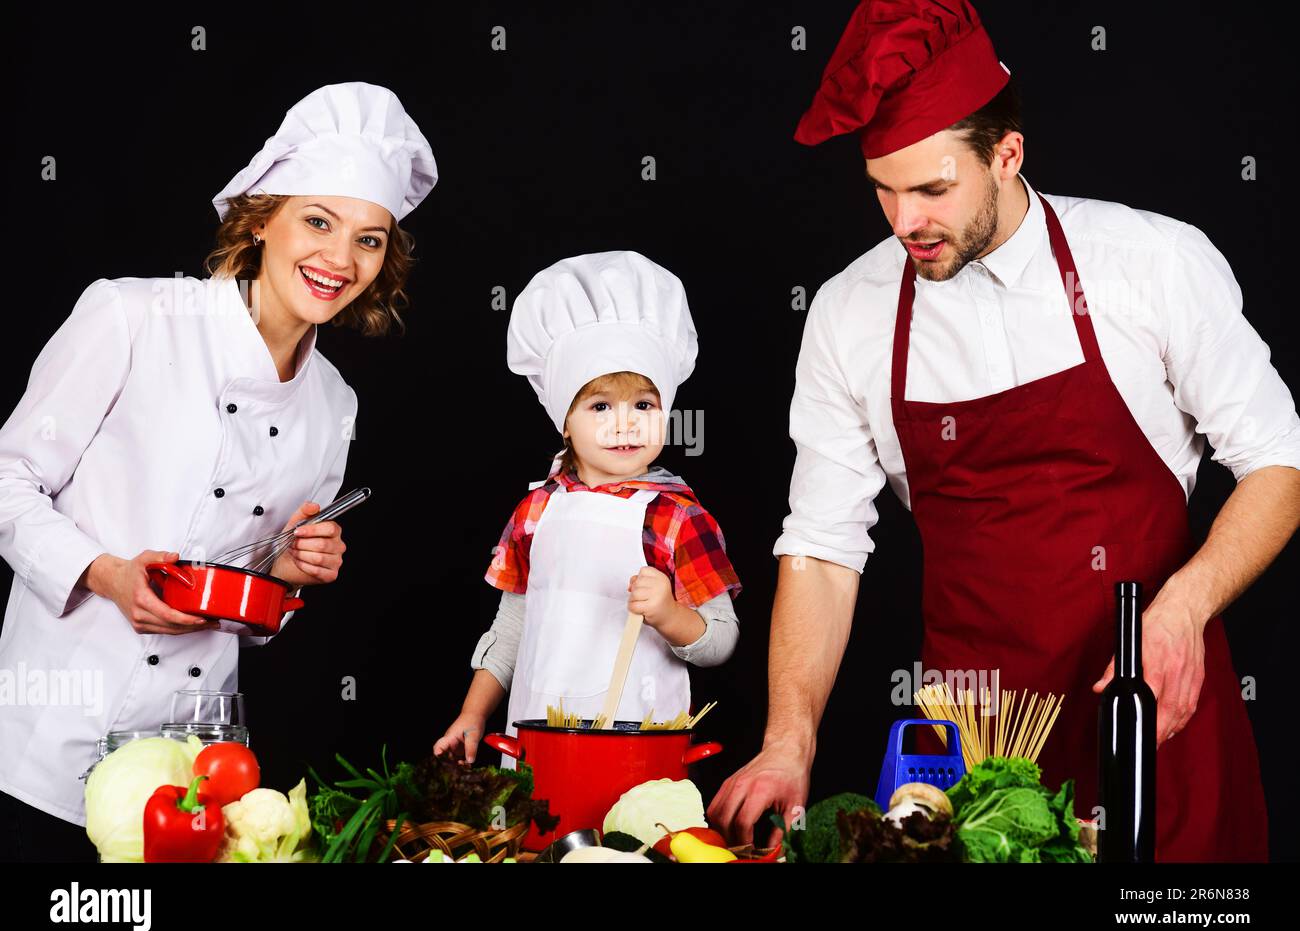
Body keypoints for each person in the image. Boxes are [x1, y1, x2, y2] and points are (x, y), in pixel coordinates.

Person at [708, 0, 1300, 861]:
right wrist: (789, 738)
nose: (905, 222)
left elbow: (1280, 463)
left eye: (933, 189)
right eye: (883, 190)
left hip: (1154, 714)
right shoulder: (848, 313)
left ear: (1008, 154)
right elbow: (824, 548)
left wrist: (1185, 607)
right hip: (970, 755)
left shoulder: (1150, 263)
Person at [0, 81, 436, 860]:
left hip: (195, 765)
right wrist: (105, 573)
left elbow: (251, 601)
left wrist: (292, 571)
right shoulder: (131, 316)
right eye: (317, 221)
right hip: (44, 743)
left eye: (370, 239)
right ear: (262, 217)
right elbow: (7, 479)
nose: (340, 258)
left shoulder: (335, 400)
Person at [433, 251, 741, 768]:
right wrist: (473, 714)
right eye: (600, 406)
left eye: (644, 405)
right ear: (564, 421)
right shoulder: (536, 510)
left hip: (638, 754)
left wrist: (668, 615)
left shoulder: (677, 517)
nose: (625, 424)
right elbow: (512, 628)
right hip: (535, 751)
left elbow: (722, 641)